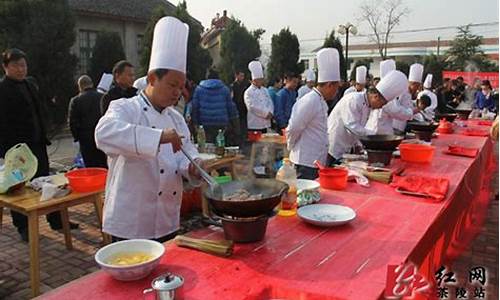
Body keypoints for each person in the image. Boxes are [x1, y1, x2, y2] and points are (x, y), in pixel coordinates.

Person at [95, 16, 202, 242]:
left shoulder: (176, 118)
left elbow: (185, 153)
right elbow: (103, 134)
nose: (177, 93)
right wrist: (159, 137)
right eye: (172, 85)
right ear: (152, 78)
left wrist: (193, 166)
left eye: (181, 87)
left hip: (166, 218)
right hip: (131, 221)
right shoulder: (124, 107)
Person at [0, 48, 78, 242]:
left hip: (37, 144)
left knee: (46, 182)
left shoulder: (29, 85)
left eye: (23, 65)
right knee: (19, 187)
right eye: (16, 65)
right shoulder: (2, 89)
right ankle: (23, 226)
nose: (21, 69)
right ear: (5, 67)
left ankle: (56, 220)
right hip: (16, 150)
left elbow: (40, 109)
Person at [328, 70, 408, 163]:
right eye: (382, 104)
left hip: (348, 145)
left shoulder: (368, 106)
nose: (381, 107)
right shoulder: (353, 100)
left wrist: (358, 145)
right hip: (335, 145)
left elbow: (360, 127)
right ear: (376, 97)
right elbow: (351, 125)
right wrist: (373, 136)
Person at [286, 48, 339, 180]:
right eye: (336, 87)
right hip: (305, 161)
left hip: (316, 161)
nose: (336, 92)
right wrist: (291, 147)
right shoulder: (309, 101)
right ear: (329, 85)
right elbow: (293, 128)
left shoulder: (321, 101)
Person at [191, 68, 239, 144]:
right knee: (221, 145)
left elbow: (195, 107)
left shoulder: (199, 89)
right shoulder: (225, 89)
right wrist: (234, 123)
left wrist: (195, 122)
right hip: (222, 123)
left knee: (207, 146)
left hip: (205, 123)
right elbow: (231, 107)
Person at [68, 75, 107, 168]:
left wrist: (76, 137)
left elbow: (72, 121)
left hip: (85, 138)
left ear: (80, 86)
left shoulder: (76, 101)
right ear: (92, 84)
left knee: (91, 166)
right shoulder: (103, 97)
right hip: (102, 136)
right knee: (104, 164)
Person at [392, 63, 424, 133]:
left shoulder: (409, 93)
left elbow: (408, 107)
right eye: (417, 86)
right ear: (413, 84)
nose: (417, 89)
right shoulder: (402, 91)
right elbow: (397, 109)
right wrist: (414, 111)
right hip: (395, 126)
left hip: (401, 126)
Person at [244, 61, 274, 134]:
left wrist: (271, 112)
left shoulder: (265, 90)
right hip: (255, 124)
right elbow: (252, 106)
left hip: (266, 123)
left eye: (261, 79)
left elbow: (270, 102)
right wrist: (265, 113)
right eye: (259, 79)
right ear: (254, 80)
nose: (261, 81)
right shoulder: (248, 92)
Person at [230, 70, 250, 143]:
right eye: (241, 76)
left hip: (243, 110)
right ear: (236, 76)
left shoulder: (245, 85)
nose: (242, 78)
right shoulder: (233, 86)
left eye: (243, 76)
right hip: (236, 109)